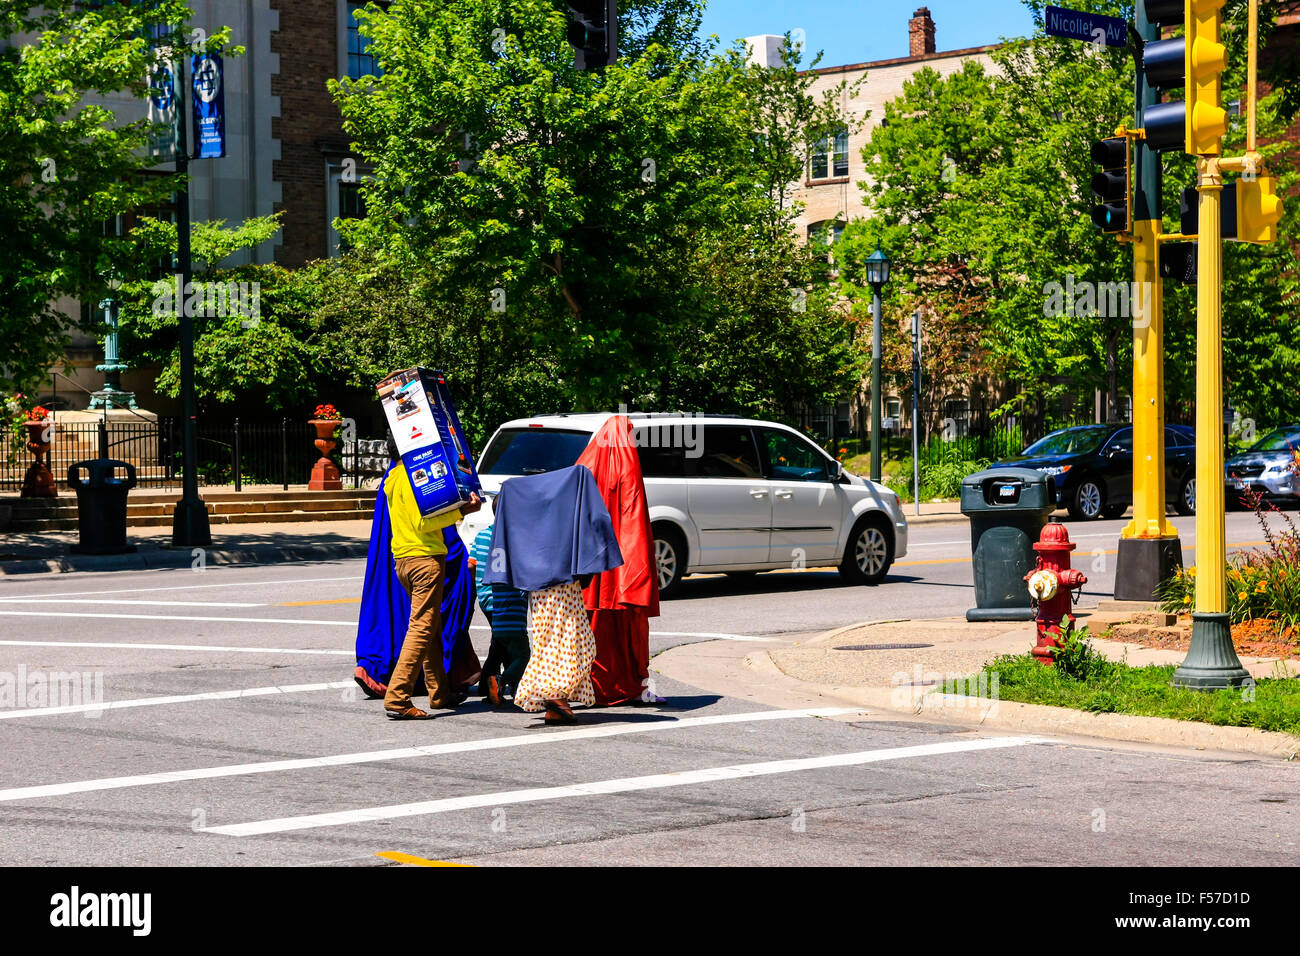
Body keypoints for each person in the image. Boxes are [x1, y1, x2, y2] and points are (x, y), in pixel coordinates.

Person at [483, 465, 622, 723]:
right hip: (559, 582)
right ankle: (554, 697)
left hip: (542, 583)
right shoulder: (556, 512)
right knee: (570, 641)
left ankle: (556, 701)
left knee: (557, 641)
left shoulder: (528, 517)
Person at [382, 446, 482, 720]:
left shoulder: (393, 476)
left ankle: (439, 692)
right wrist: (463, 511)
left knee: (431, 625)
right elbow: (426, 522)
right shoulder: (416, 475)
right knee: (422, 627)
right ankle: (398, 696)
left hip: (402, 558)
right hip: (425, 557)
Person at [574, 415, 661, 705]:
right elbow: (633, 520)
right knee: (620, 631)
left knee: (588, 627)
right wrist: (637, 572)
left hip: (588, 567)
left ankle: (587, 687)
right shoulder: (628, 467)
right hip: (618, 568)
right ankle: (622, 686)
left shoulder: (583, 465)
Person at [470, 525, 529, 706]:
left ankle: (488, 685)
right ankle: (503, 682)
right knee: (513, 647)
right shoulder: (514, 536)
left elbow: (472, 564)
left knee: (499, 642)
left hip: (486, 597)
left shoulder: (482, 536)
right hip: (508, 598)